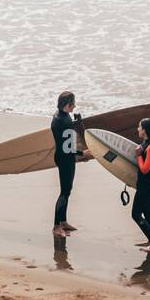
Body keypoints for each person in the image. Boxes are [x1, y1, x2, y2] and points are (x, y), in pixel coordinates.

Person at [51, 91, 89, 237]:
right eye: (72, 103)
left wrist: (77, 123)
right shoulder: (61, 121)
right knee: (64, 192)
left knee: (68, 190)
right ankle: (56, 226)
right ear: (66, 104)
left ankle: (63, 221)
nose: (74, 105)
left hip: (66, 157)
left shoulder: (63, 116)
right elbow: (67, 148)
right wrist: (82, 154)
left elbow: (69, 141)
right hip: (64, 158)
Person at [132, 118, 150, 252]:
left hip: (146, 184)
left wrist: (138, 155)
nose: (137, 129)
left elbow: (145, 169)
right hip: (145, 183)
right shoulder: (146, 143)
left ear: (145, 130)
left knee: (136, 214)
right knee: (147, 212)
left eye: (139, 127)